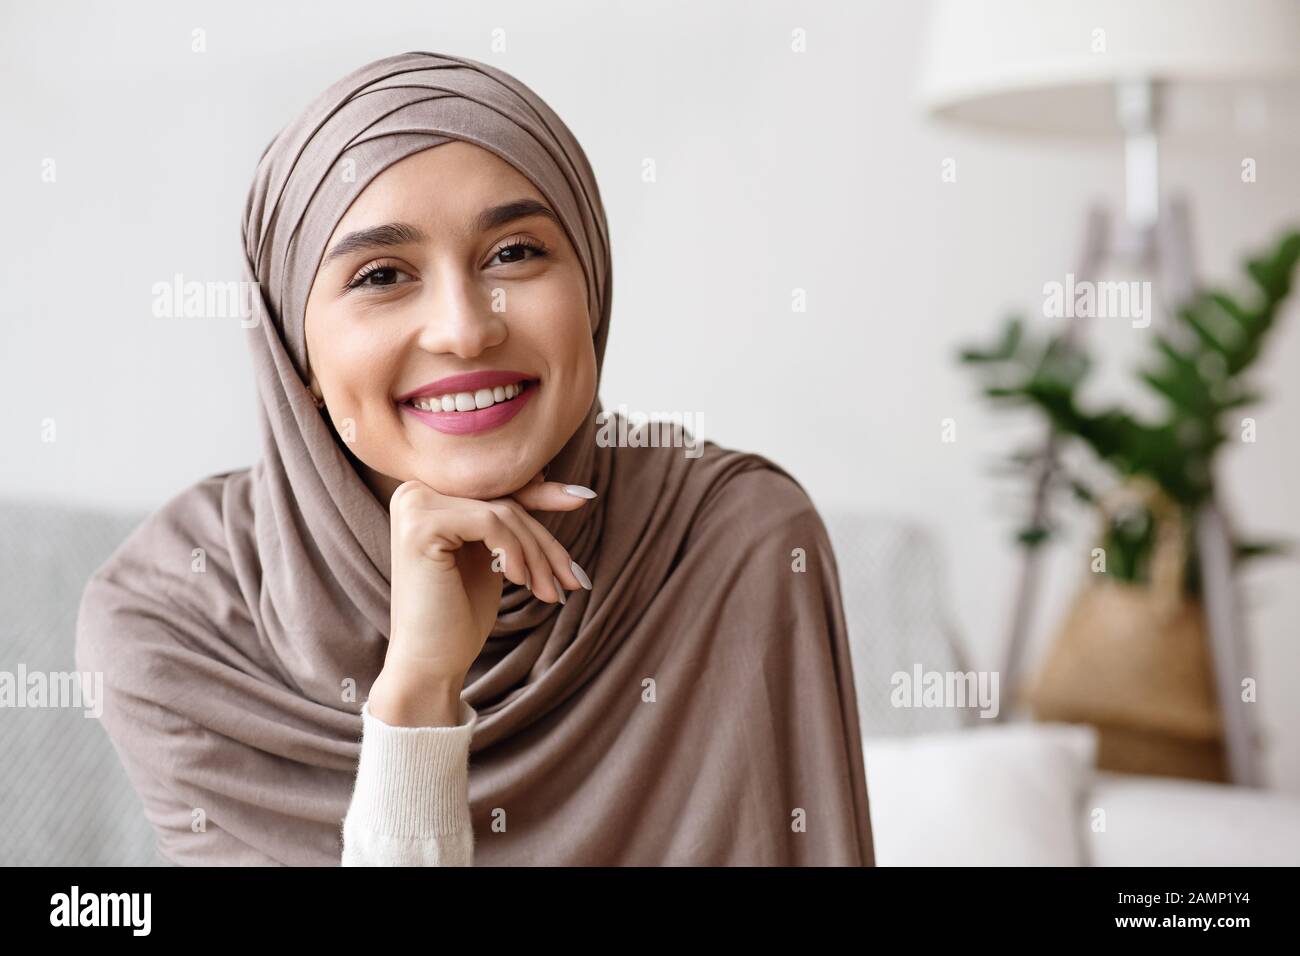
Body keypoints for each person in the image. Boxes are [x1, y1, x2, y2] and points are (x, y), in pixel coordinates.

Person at [75, 51, 875, 866]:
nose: (465, 327)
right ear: (295, 352)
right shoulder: (175, 623)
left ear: (591, 286)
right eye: (382, 274)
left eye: (514, 254)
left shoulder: (732, 540)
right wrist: (419, 692)